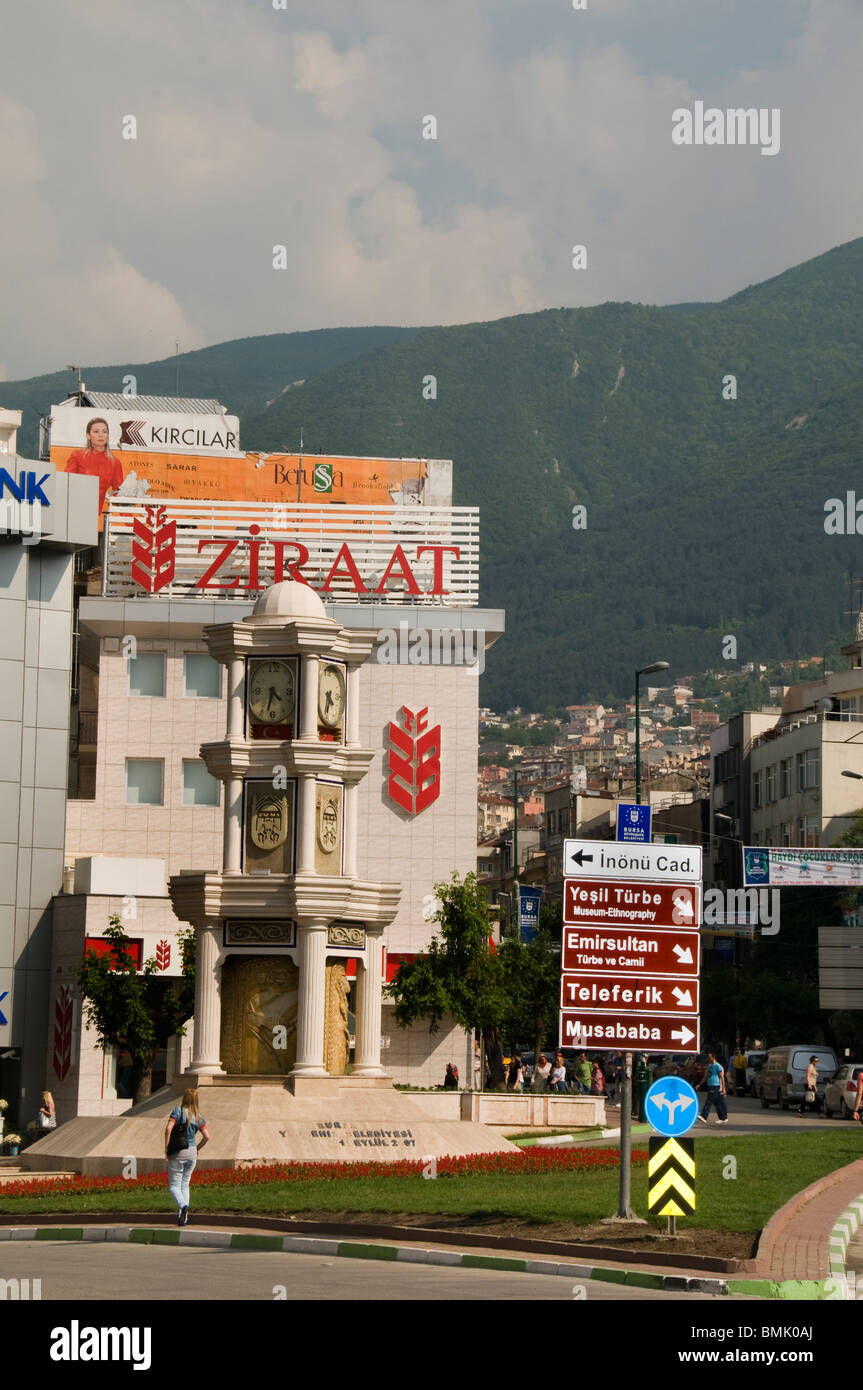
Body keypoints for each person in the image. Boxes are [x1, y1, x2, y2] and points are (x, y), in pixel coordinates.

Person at [63, 417, 125, 520]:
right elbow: (66, 484)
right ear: (88, 435)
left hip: (97, 517)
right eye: (96, 431)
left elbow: (120, 496)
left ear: (108, 435)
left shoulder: (115, 463)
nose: (101, 435)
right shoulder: (77, 456)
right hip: (73, 513)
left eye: (104, 432)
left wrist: (131, 526)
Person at [164, 1088, 209, 1227]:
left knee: (173, 1185)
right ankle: (183, 1218)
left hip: (178, 1151)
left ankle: (183, 1205)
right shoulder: (199, 1117)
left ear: (184, 1098)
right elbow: (207, 1136)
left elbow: (168, 1128)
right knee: (185, 1184)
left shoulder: (177, 1111)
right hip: (192, 1152)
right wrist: (197, 1149)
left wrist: (166, 1148)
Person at [697, 1052, 728, 1124]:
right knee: (717, 1102)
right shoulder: (710, 1066)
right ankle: (723, 1117)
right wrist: (699, 1084)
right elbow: (705, 1076)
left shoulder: (718, 1066)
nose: (708, 1058)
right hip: (710, 1085)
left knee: (709, 1101)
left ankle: (704, 1116)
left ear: (713, 1057)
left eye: (709, 1057)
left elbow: (722, 1077)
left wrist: (724, 1088)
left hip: (715, 1085)